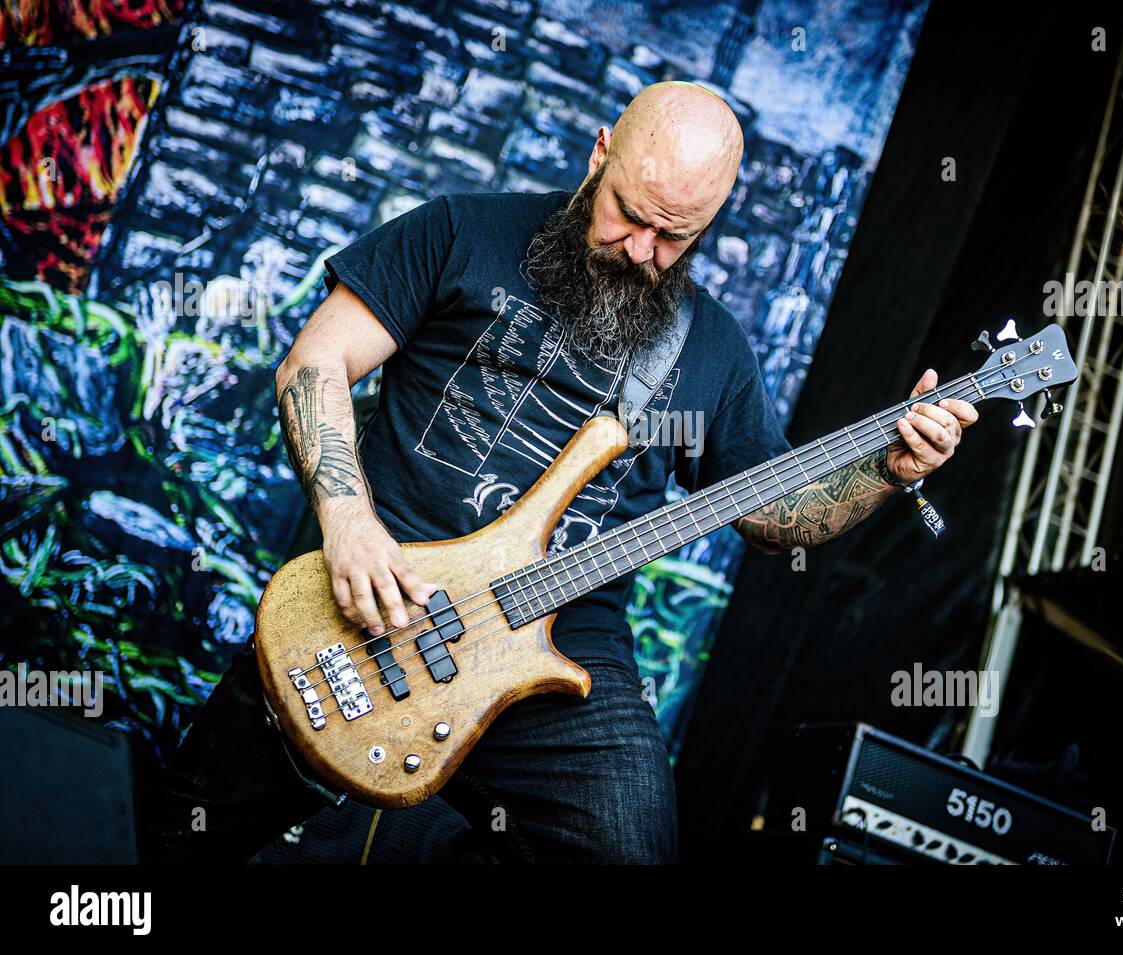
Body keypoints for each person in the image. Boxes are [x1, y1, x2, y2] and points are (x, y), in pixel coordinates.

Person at [140, 82, 976, 864]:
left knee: (628, 847)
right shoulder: (462, 230)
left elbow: (775, 516)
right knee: (184, 834)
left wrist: (888, 469)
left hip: (559, 642)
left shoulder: (716, 352)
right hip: (383, 599)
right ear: (599, 153)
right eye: (630, 216)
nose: (641, 250)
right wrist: (350, 523)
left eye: (674, 237)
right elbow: (315, 363)